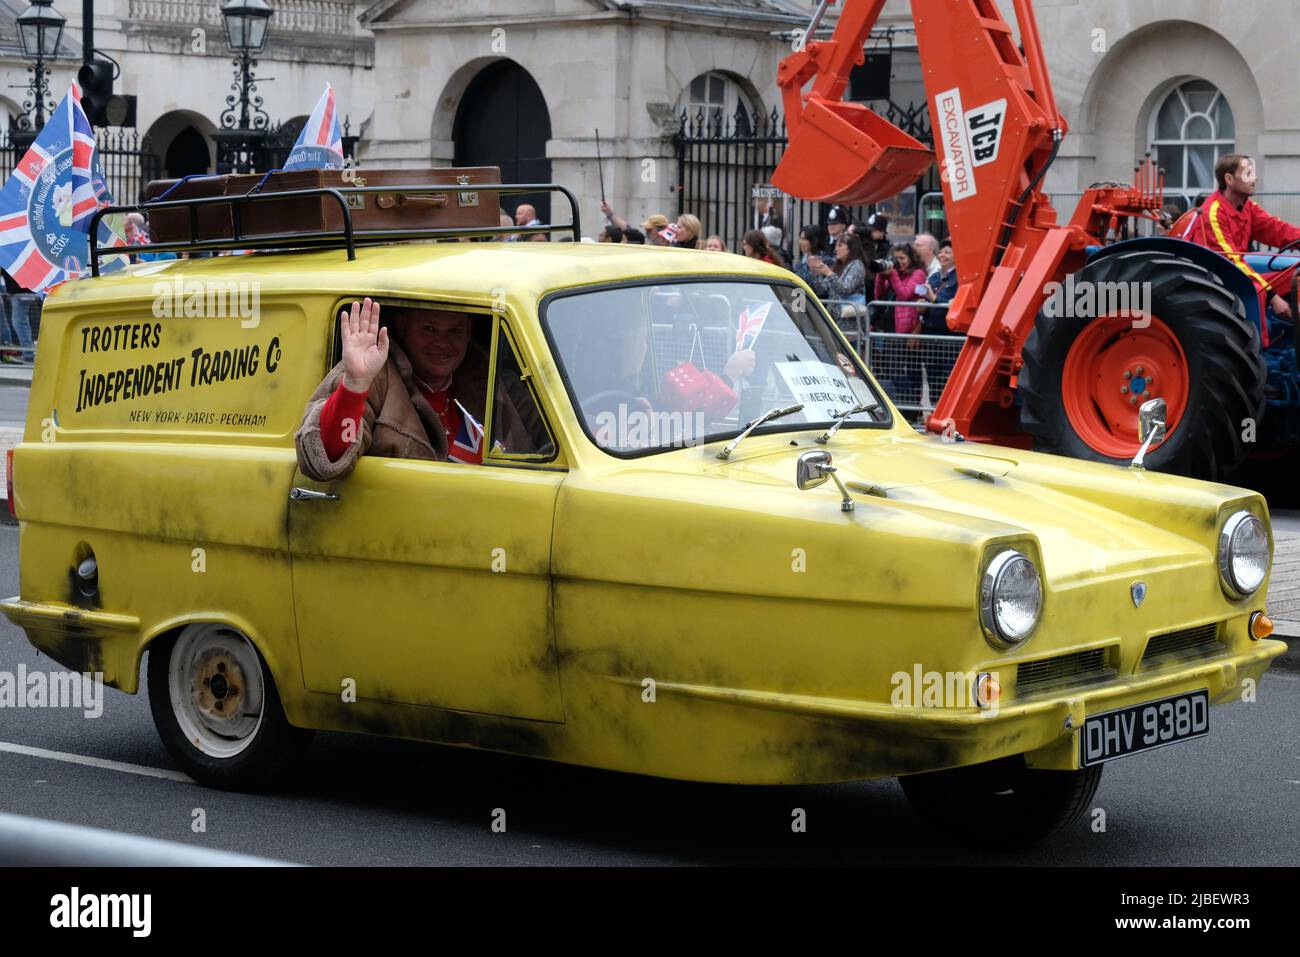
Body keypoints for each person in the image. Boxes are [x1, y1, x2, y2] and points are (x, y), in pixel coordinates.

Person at [295, 298, 527, 481]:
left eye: (454, 331)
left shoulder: (489, 381)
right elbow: (325, 459)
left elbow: (529, 459)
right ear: (402, 325)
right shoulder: (376, 375)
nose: (442, 343)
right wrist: (355, 385)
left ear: (468, 332)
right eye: (429, 329)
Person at [1182, 153, 1300, 323]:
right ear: (1229, 179)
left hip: (1232, 272)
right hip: (1213, 279)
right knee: (1257, 292)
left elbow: (1276, 229)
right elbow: (1230, 262)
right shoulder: (1214, 213)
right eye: (1248, 174)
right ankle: (1261, 348)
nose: (1255, 179)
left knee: (1295, 279)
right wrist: (1272, 297)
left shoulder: (1247, 206)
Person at [875, 243, 928, 335]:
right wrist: (881, 276)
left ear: (911, 259)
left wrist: (893, 274)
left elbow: (904, 295)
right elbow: (879, 296)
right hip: (886, 324)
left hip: (905, 328)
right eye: (895, 259)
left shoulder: (918, 273)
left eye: (902, 258)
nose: (899, 262)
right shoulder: (896, 274)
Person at [807, 232, 868, 307]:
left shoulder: (857, 265)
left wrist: (829, 273)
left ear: (851, 248)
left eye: (840, 245)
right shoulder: (837, 266)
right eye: (836, 245)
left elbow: (845, 289)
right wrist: (815, 272)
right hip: (833, 316)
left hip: (849, 316)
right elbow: (822, 290)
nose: (836, 249)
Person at [922, 238, 958, 328]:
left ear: (957, 256)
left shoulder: (961, 278)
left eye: (947, 252)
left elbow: (957, 305)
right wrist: (921, 305)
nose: (942, 255)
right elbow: (927, 299)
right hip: (929, 331)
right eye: (940, 252)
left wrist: (935, 299)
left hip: (948, 334)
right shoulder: (934, 276)